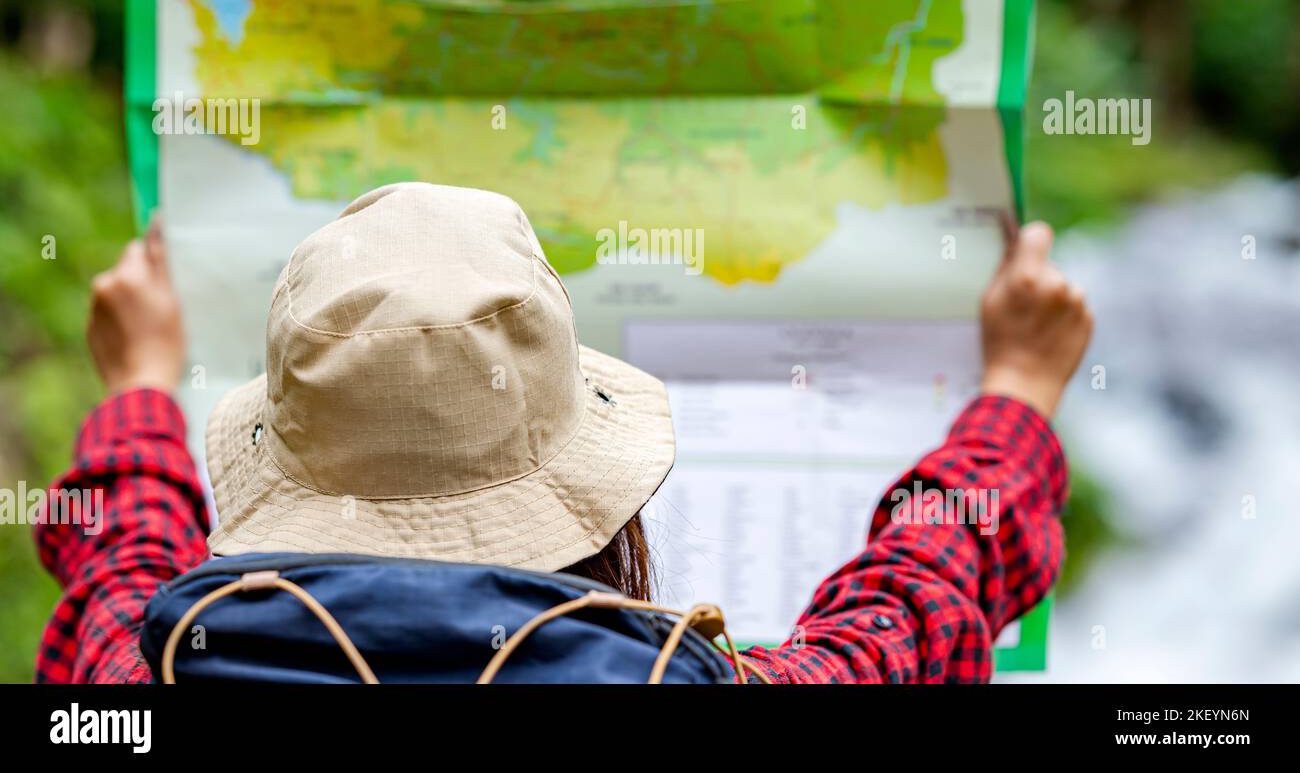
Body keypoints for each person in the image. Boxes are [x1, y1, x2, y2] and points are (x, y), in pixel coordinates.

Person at [35, 182, 1091, 683]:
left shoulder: (146, 681)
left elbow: (118, 562)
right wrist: (1014, 388)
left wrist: (138, 379)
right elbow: (913, 608)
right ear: (592, 486)